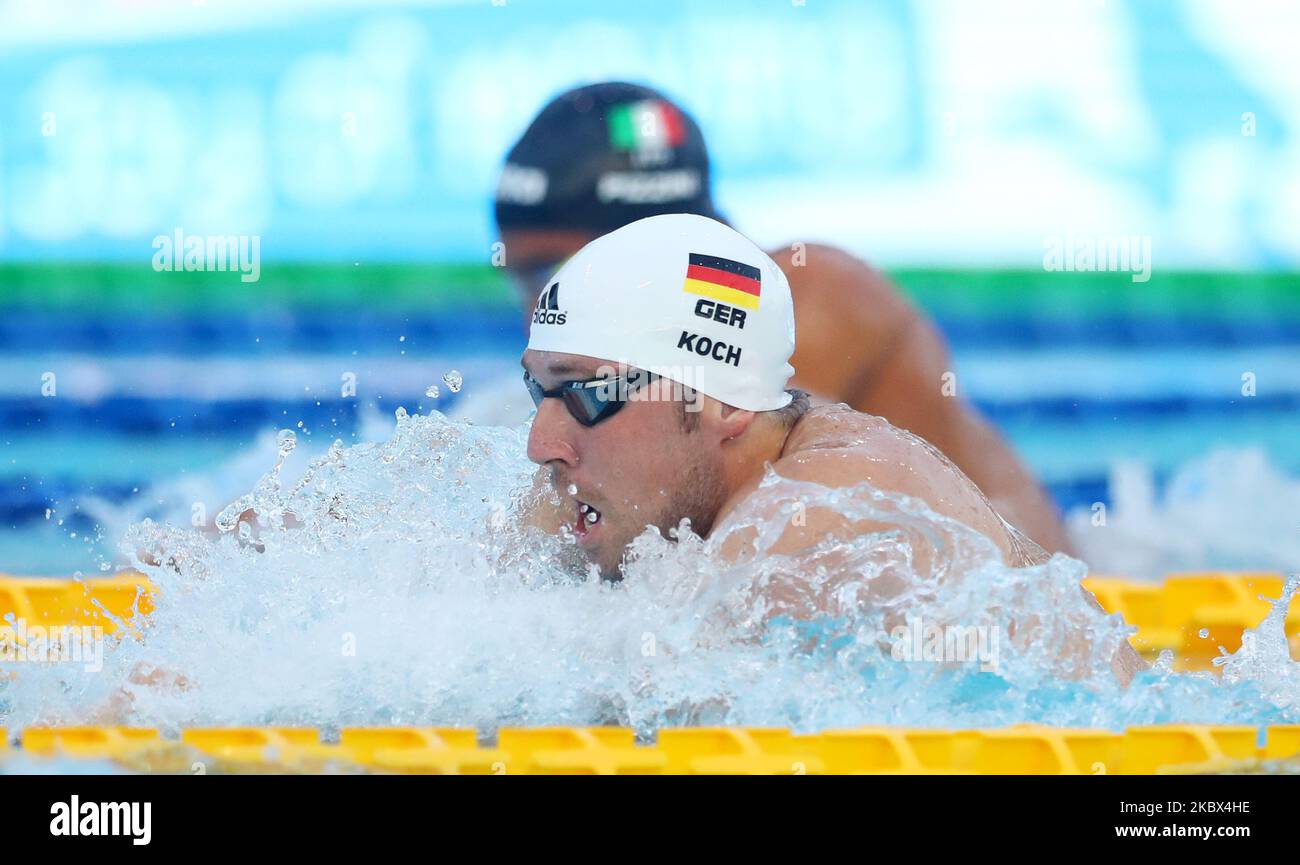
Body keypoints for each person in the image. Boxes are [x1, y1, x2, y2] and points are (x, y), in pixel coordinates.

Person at [518, 213, 1142, 684]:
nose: (540, 443)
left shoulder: (823, 509)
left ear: (726, 403)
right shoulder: (618, 491)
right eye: (538, 390)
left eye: (588, 394)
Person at [480, 81, 1071, 552]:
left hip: (1062, 578)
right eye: (519, 280)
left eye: (552, 271)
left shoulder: (815, 295)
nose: (537, 305)